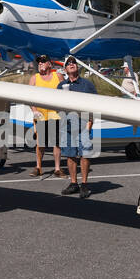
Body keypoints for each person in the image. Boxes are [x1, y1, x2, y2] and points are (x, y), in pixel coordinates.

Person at [57, 56, 97, 198]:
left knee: (85, 154)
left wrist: (90, 123)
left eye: (74, 63)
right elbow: (56, 106)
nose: (72, 64)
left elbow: (95, 105)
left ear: (78, 67)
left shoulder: (87, 85)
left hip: (84, 124)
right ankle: (74, 183)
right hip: (68, 126)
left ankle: (84, 185)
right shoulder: (61, 86)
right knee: (70, 155)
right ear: (65, 69)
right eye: (69, 63)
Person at [30, 54, 63, 177]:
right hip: (41, 114)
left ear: (49, 63)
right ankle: (38, 167)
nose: (40, 63)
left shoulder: (57, 76)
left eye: (43, 61)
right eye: (39, 62)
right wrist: (34, 110)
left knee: (56, 142)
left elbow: (65, 93)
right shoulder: (35, 78)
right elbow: (29, 97)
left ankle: (57, 169)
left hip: (55, 114)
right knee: (40, 143)